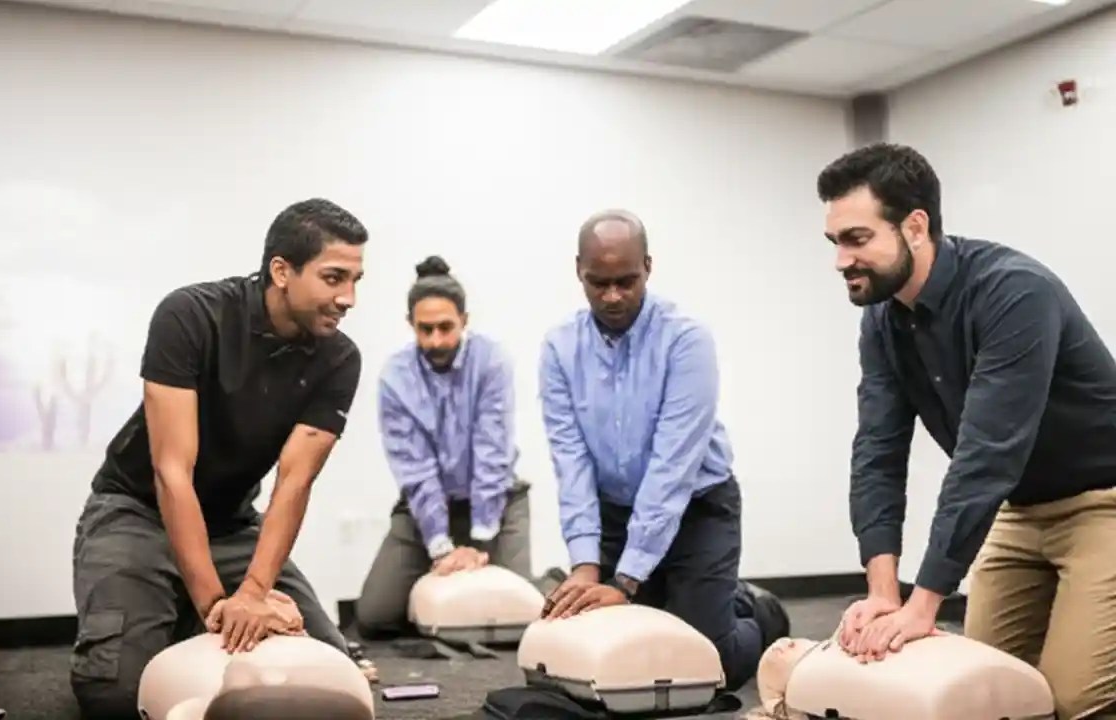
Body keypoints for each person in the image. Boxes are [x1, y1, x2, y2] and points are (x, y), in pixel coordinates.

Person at [820, 142, 1116, 719]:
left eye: (857, 239)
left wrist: (925, 601)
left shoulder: (1014, 292)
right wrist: (886, 593)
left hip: (1104, 505)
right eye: (835, 243)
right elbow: (877, 452)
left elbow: (986, 453)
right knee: (981, 689)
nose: (841, 260)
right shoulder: (881, 320)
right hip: (1019, 510)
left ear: (914, 226)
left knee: (1075, 698)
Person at [70, 198, 371, 720]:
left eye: (355, 280)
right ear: (282, 270)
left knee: (332, 678)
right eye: (333, 278)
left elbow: (294, 482)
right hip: (135, 512)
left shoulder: (340, 358)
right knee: (115, 695)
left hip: (230, 525)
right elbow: (171, 472)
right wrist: (216, 607)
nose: (348, 298)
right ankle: (182, 611)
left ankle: (185, 612)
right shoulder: (190, 316)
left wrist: (254, 591)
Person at [537, 209, 789, 691]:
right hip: (616, 515)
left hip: (698, 509)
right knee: (605, 653)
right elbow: (570, 462)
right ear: (578, 271)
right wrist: (587, 569)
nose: (612, 296)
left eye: (626, 281)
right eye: (598, 282)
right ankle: (678, 595)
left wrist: (626, 582)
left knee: (704, 664)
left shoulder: (686, 339)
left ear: (648, 267)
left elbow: (671, 469)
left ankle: (757, 610)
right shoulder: (558, 348)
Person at [355, 255, 530, 637]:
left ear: (465, 321)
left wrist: (479, 541)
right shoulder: (395, 378)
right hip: (427, 507)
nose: (436, 340)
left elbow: (492, 452)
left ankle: (545, 580)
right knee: (374, 616)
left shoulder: (491, 361)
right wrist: (443, 548)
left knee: (523, 614)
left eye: (446, 327)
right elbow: (415, 470)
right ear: (410, 325)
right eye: (425, 329)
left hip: (496, 501)